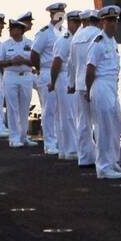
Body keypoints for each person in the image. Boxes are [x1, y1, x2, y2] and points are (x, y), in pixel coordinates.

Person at [85, 5, 121, 179]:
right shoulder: (98, 42)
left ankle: (113, 162)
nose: (113, 24)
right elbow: (90, 70)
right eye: (109, 20)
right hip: (101, 85)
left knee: (115, 125)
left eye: (115, 20)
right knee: (103, 127)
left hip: (112, 86)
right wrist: (88, 92)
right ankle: (103, 167)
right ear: (102, 22)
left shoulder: (112, 41)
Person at [33, 3, 65, 155]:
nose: (60, 16)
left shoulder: (64, 32)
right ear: (51, 15)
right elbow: (34, 53)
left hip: (62, 73)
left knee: (61, 110)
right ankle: (49, 143)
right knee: (49, 109)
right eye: (57, 13)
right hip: (47, 72)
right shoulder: (44, 33)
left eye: (62, 13)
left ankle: (60, 140)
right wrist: (39, 69)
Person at [71, 10, 101, 168]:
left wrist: (71, 84)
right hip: (95, 83)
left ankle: (84, 157)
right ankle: (101, 158)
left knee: (83, 123)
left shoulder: (76, 37)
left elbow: (71, 63)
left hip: (79, 84)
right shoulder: (99, 35)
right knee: (100, 123)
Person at [51, 10, 81, 162]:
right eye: (75, 22)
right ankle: (70, 149)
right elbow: (56, 63)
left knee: (69, 114)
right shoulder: (65, 39)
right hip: (64, 77)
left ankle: (64, 148)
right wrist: (53, 82)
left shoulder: (77, 38)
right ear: (69, 23)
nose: (77, 25)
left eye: (79, 22)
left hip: (71, 77)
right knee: (68, 115)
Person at [1, 17, 35, 147]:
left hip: (26, 76)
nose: (10, 31)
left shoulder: (30, 44)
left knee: (24, 107)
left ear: (21, 30)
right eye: (10, 29)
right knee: (12, 107)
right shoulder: (5, 45)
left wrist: (24, 61)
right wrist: (11, 62)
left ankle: (24, 136)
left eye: (14, 29)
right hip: (11, 75)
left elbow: (36, 62)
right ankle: (14, 138)